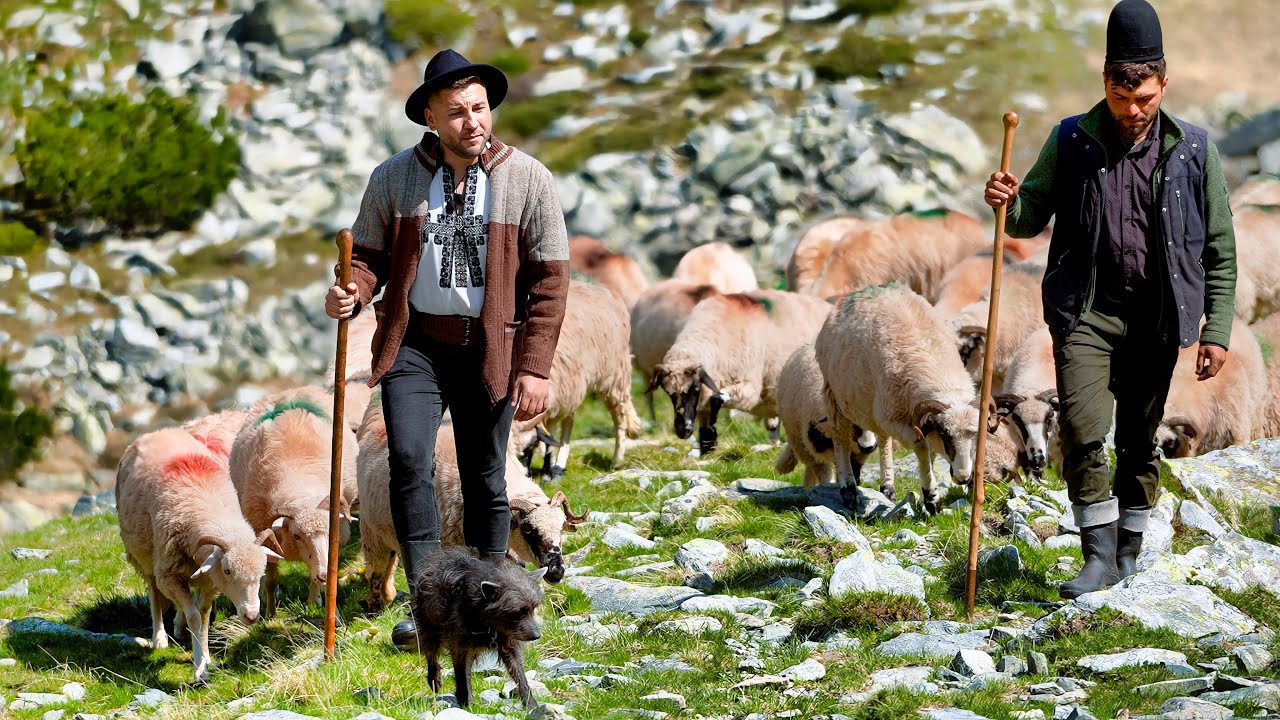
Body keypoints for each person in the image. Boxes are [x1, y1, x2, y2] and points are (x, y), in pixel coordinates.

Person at [983, 0, 1236, 599]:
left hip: (1158, 318)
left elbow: (1220, 247)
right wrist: (1004, 201)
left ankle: (1129, 551)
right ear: (1105, 83)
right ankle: (1096, 556)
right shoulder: (1071, 139)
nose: (1133, 110)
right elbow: (1026, 218)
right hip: (1086, 313)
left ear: (1163, 84)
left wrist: (1217, 329)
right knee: (1083, 429)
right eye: (1122, 98)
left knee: (1139, 440)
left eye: (1144, 98)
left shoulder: (1193, 150)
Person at [324, 49, 569, 647]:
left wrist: (535, 367)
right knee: (409, 459)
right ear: (430, 118)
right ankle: (430, 601)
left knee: (485, 473)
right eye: (457, 112)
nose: (472, 122)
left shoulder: (528, 178)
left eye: (479, 108)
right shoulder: (395, 177)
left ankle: (489, 598)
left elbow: (550, 280)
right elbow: (368, 256)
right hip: (416, 344)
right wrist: (352, 290)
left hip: (491, 347)